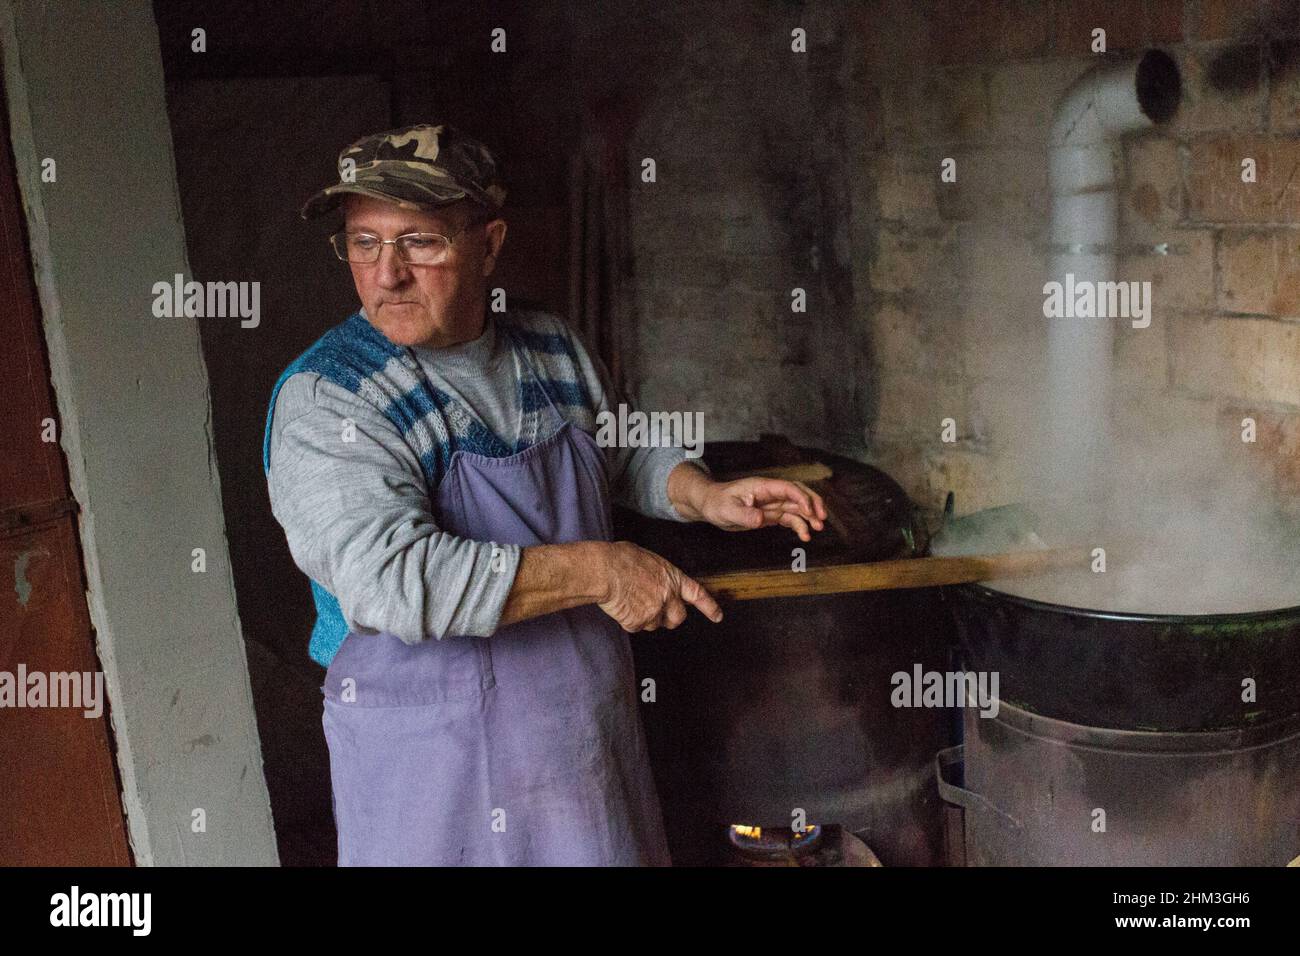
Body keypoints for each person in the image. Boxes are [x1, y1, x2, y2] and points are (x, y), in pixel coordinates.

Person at [263, 123, 826, 865]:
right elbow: (394, 581)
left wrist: (703, 494)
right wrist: (604, 570)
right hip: (433, 766)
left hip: (578, 738)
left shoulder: (550, 346)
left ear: (489, 243)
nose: (386, 274)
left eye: (419, 242)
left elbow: (620, 450)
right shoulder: (332, 397)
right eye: (363, 243)